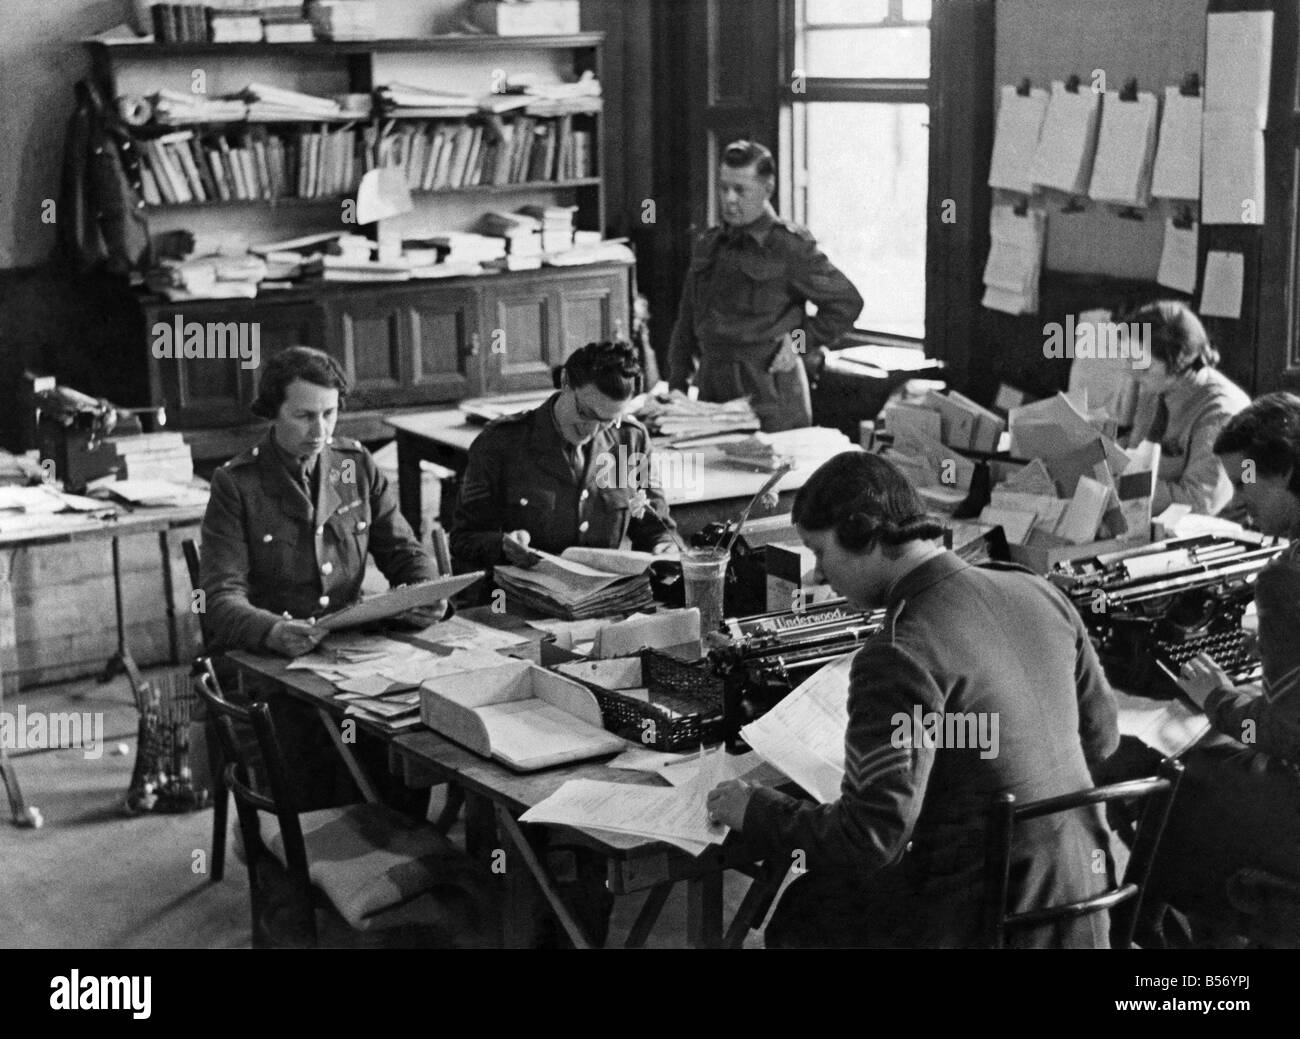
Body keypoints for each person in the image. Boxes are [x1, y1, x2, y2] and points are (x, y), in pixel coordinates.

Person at [706, 452, 1121, 948]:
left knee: (805, 914)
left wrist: (755, 808)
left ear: (863, 533)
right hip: (1082, 903)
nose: (818, 575)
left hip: (986, 923)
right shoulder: (1035, 589)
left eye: (821, 553)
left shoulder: (899, 651)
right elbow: (1102, 739)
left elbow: (869, 840)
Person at [200, 346, 446, 808]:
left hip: (352, 655)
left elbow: (404, 553)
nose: (320, 431)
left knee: (417, 737)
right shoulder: (237, 484)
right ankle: (330, 858)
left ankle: (398, 851)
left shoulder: (354, 464)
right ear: (272, 412)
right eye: (303, 416)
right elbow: (219, 599)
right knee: (317, 767)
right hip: (276, 668)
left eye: (330, 414)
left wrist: (425, 593)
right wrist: (272, 630)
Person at [1140, 392, 1300, 942]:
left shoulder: (1284, 577)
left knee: (1168, 780)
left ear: (1285, 471)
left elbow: (1282, 734)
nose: (1237, 497)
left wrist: (1220, 699)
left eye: (1249, 478)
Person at [666, 140, 864, 433]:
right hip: (712, 393)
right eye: (724, 188)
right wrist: (677, 384)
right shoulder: (709, 244)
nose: (729, 199)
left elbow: (847, 302)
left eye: (740, 190)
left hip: (769, 395)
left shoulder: (789, 246)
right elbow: (686, 321)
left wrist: (799, 342)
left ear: (767, 189)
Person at [450, 340, 678, 571]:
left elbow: (655, 529)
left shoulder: (630, 441)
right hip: (521, 597)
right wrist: (502, 545)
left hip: (604, 597)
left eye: (608, 421)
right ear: (565, 381)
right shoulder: (501, 442)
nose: (590, 430)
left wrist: (664, 546)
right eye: (585, 412)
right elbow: (463, 540)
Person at [1123, 300, 1249, 515]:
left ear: (1179, 363)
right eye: (1127, 358)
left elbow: (1200, 502)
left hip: (1211, 534)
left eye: (1142, 364)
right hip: (1148, 520)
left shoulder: (1222, 412)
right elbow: (1137, 456)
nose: (1131, 373)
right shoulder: (1155, 390)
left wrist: (1124, 487)